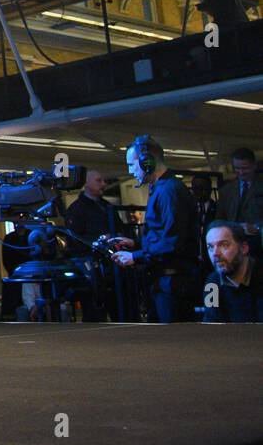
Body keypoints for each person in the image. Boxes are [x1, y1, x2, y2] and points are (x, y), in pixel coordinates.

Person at [109, 135, 199, 323]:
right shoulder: (163, 189)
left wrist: (135, 256)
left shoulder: (168, 191)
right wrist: (136, 244)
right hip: (166, 281)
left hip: (172, 283)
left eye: (132, 164)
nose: (130, 170)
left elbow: (172, 243)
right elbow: (165, 235)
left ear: (146, 162)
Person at [202, 221, 260, 322]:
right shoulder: (212, 283)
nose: (215, 253)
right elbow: (211, 326)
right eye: (210, 247)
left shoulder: (259, 274)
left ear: (243, 248)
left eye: (224, 245)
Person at [217, 148, 262, 251]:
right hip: (232, 243)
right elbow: (220, 218)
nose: (241, 172)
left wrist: (257, 228)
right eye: (237, 168)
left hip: (258, 243)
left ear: (254, 166)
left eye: (245, 168)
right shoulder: (226, 190)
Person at [65, 169, 122, 243]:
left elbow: (120, 227)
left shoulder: (108, 205)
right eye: (98, 180)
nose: (104, 184)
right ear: (86, 183)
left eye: (104, 181)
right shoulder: (76, 209)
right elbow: (74, 239)